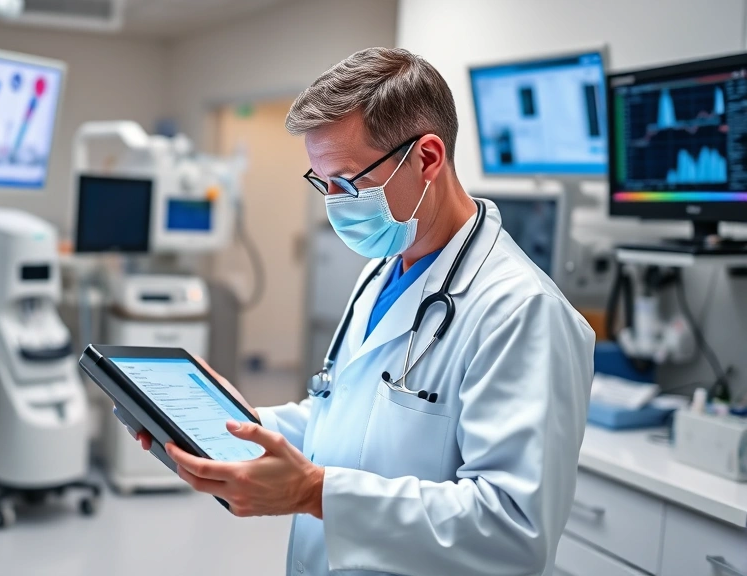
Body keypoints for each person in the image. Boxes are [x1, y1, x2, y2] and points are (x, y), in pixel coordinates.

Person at [130, 47, 595, 576]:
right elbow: (343, 414)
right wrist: (240, 423)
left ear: (427, 159)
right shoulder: (383, 270)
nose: (334, 203)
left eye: (349, 183)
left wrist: (314, 493)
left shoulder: (522, 312)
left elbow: (513, 530)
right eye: (322, 182)